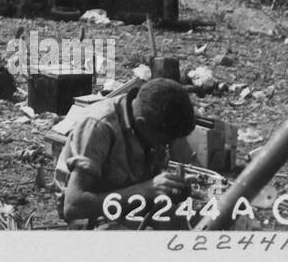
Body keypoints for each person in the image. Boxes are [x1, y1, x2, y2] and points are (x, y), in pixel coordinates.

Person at [55, 77, 197, 229]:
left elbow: (150, 180)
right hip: (90, 215)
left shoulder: (148, 121)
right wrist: (146, 189)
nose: (167, 147)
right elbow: (73, 206)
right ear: (142, 124)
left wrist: (170, 187)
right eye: (164, 142)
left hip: (128, 201)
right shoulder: (100, 125)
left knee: (181, 223)